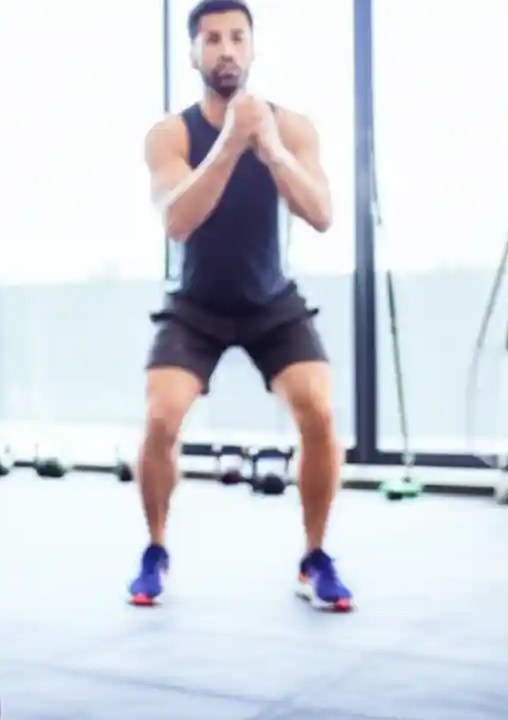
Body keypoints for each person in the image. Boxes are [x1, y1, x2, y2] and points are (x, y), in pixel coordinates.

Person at [128, 0, 353, 612]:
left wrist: (271, 148)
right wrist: (229, 142)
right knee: (159, 417)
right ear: (194, 53)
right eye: (212, 40)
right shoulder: (171, 134)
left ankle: (315, 555)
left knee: (320, 410)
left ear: (253, 49)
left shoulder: (294, 127)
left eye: (236, 38)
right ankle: (155, 547)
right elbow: (176, 221)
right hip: (197, 304)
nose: (225, 49)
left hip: (270, 301)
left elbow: (323, 215)